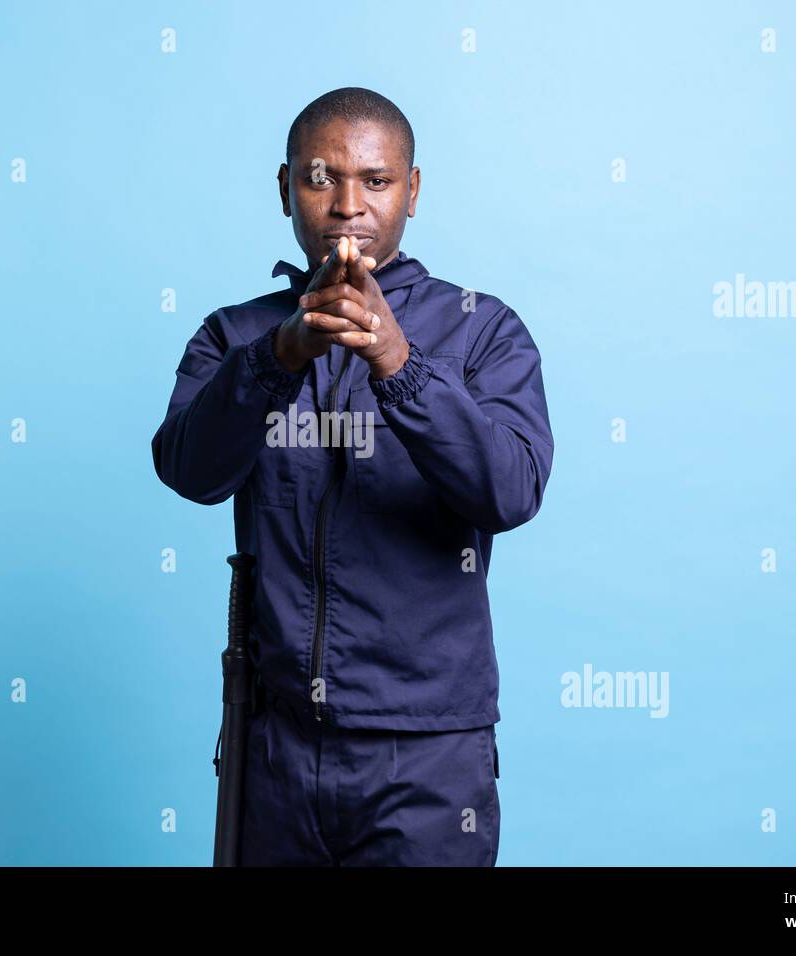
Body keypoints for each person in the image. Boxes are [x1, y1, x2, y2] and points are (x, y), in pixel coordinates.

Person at [151, 87, 554, 866]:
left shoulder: (483, 330)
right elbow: (189, 471)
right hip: (276, 749)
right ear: (284, 190)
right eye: (319, 177)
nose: (346, 205)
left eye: (375, 180)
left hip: (428, 754)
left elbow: (511, 492)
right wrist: (279, 356)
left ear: (412, 191)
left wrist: (399, 365)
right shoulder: (234, 334)